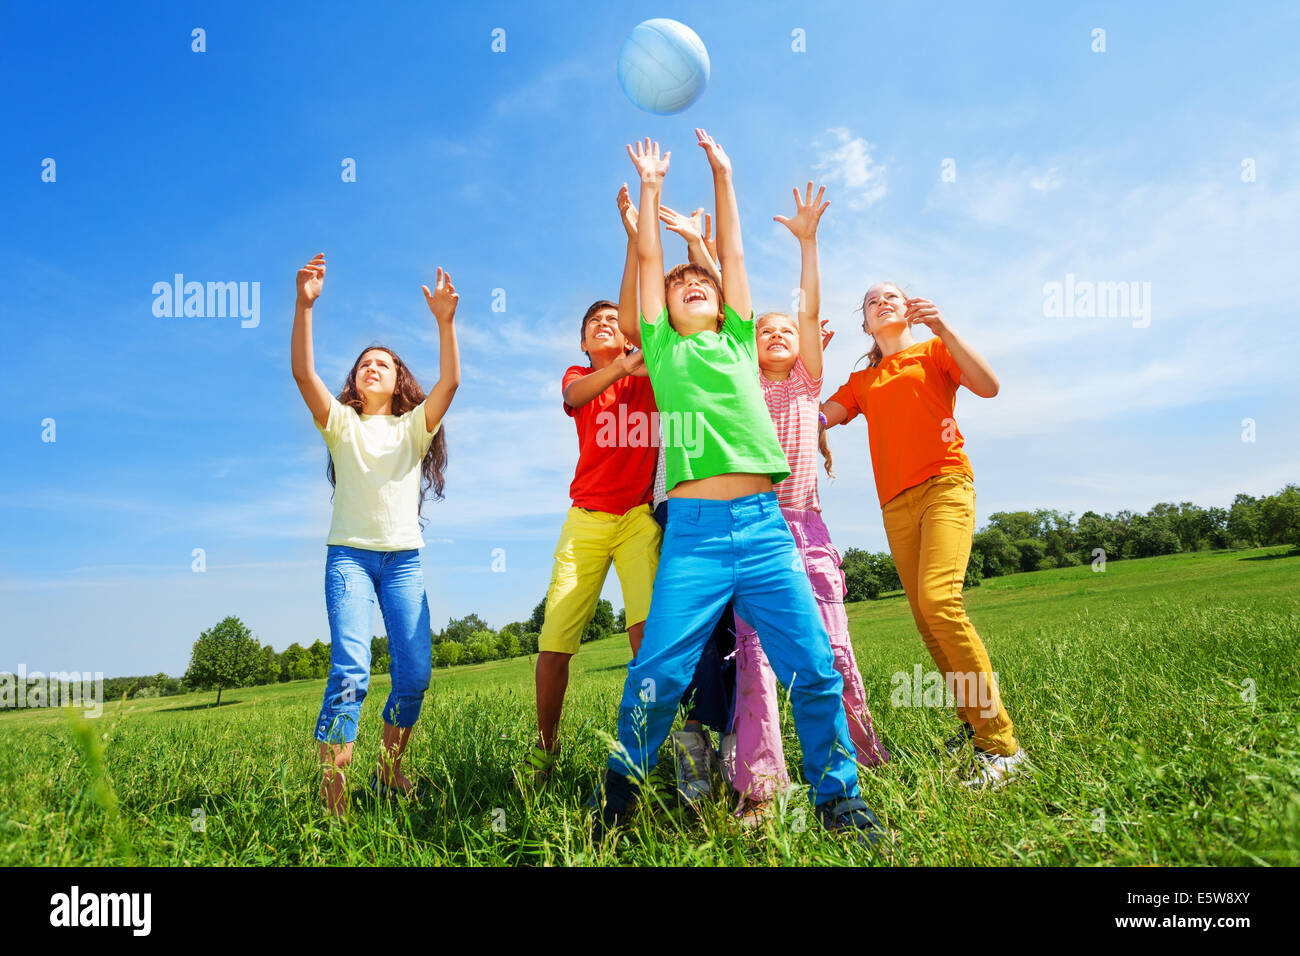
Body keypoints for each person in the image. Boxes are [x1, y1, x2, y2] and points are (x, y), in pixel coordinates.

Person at [592, 130, 884, 844]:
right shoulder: (661, 349)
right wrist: (654, 188)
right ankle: (617, 801)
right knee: (656, 675)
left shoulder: (735, 338)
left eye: (702, 285)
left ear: (723, 306)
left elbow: (733, 257)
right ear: (665, 311)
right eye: (677, 287)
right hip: (691, 534)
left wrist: (724, 174)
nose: (692, 284)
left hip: (763, 527)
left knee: (814, 668)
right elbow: (657, 262)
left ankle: (838, 800)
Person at [822, 281, 1028, 787]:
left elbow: (989, 386)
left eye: (891, 295)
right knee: (925, 619)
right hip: (895, 504)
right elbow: (819, 416)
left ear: (909, 312)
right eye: (871, 301)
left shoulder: (934, 350)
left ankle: (1002, 746)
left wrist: (945, 327)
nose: (882, 302)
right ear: (867, 324)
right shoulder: (864, 378)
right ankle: (974, 726)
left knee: (940, 602)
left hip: (945, 484)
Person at [729, 183, 889, 825]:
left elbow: (810, 304)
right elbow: (732, 307)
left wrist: (807, 242)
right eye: (762, 330)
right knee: (755, 664)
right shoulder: (741, 384)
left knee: (834, 652)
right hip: (754, 532)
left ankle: (863, 758)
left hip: (809, 531)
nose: (774, 334)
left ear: (802, 344)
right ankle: (763, 790)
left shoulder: (805, 379)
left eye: (785, 330)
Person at [290, 253, 461, 814]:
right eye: (365, 363)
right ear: (355, 383)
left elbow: (451, 381)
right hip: (350, 561)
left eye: (383, 364)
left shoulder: (413, 427)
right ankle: (333, 786)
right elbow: (302, 374)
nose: (372, 367)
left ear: (397, 381)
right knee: (352, 669)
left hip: (403, 562)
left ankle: (389, 769)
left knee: (415, 673)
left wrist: (445, 322)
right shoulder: (340, 424)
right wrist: (305, 306)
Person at [526, 277, 660, 781]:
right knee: (555, 641)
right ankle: (545, 750)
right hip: (585, 519)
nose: (605, 324)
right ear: (583, 343)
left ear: (627, 335)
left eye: (612, 320)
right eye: (593, 323)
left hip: (636, 518)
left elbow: (638, 320)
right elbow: (575, 394)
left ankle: (646, 746)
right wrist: (620, 363)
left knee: (648, 638)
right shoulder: (579, 375)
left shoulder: (648, 372)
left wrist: (632, 235)